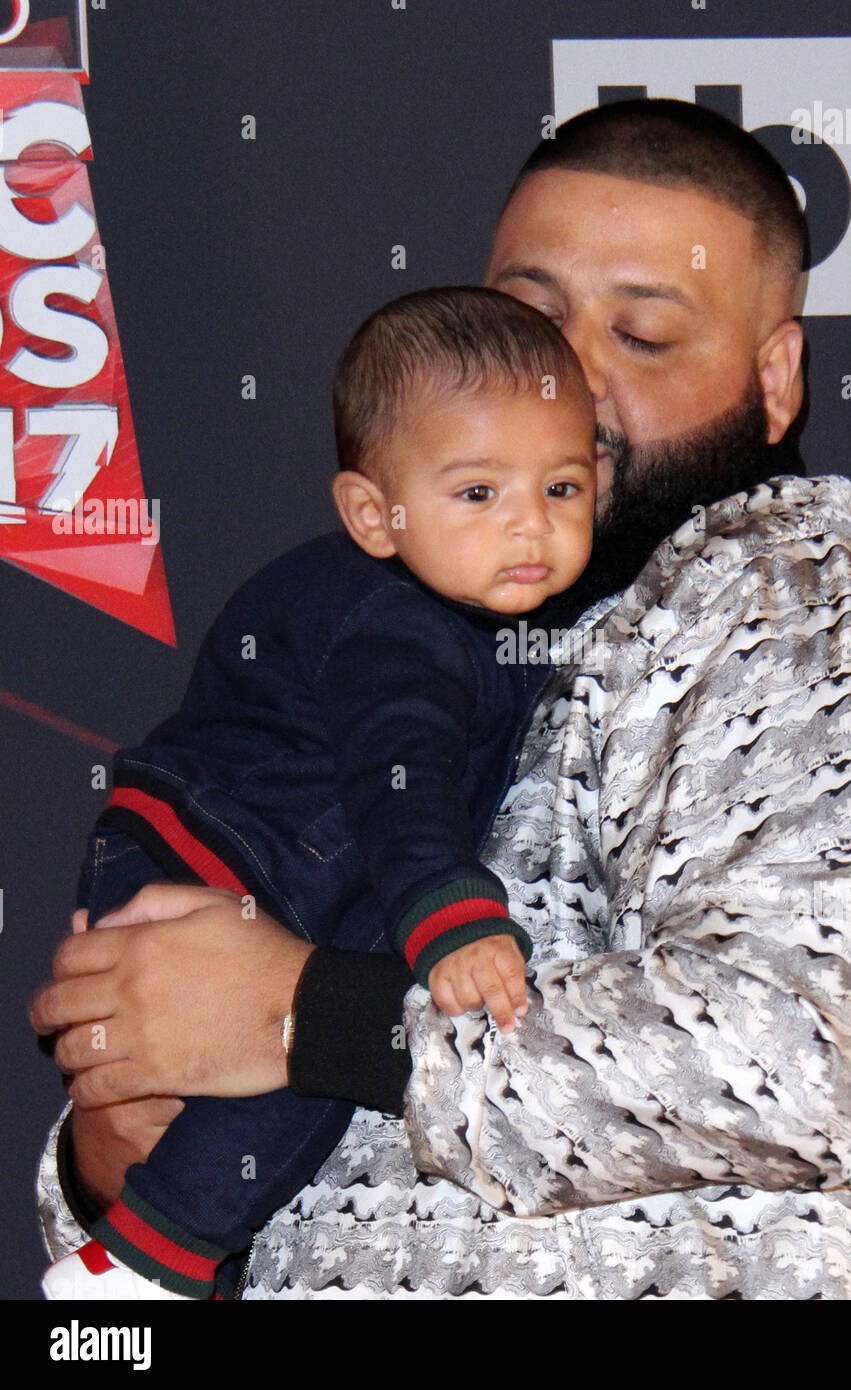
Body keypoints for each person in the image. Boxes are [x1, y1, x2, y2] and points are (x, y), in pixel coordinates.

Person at [32, 98, 851, 1300]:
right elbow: (241, 1064)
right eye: (528, 316)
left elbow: (821, 1050)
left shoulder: (815, 605)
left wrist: (306, 1016)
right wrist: (116, 1138)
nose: (562, 373)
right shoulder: (410, 627)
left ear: (774, 379)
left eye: (643, 333)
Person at [39, 285, 600, 1299]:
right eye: (478, 493)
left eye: (562, 487)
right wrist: (451, 914)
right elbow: (400, 780)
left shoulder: (466, 598)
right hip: (224, 859)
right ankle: (147, 1265)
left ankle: (142, 1253)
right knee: (310, 1037)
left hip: (232, 844)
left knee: (305, 1031)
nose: (531, 526)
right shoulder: (397, 622)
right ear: (372, 516)